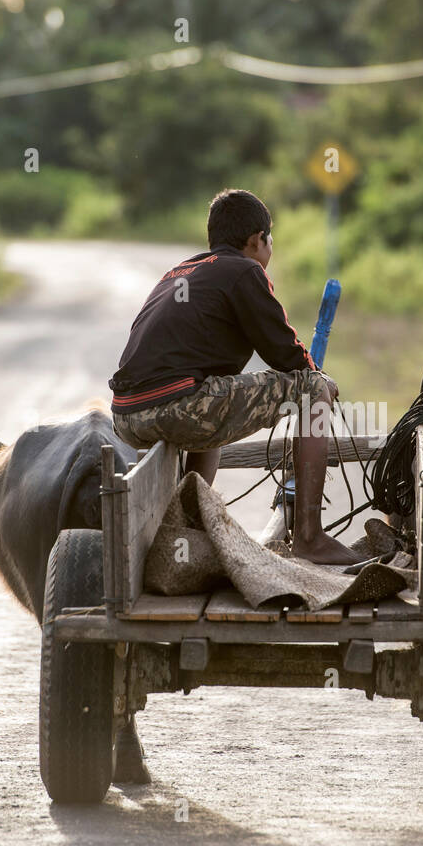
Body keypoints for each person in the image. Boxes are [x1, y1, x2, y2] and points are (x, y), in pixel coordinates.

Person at [109, 188, 362, 566]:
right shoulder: (244, 270)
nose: (270, 248)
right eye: (269, 239)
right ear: (256, 240)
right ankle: (310, 538)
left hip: (127, 414)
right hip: (176, 407)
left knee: (216, 388)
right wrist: (319, 379)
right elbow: (284, 353)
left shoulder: (182, 270)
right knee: (311, 390)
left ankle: (191, 527)